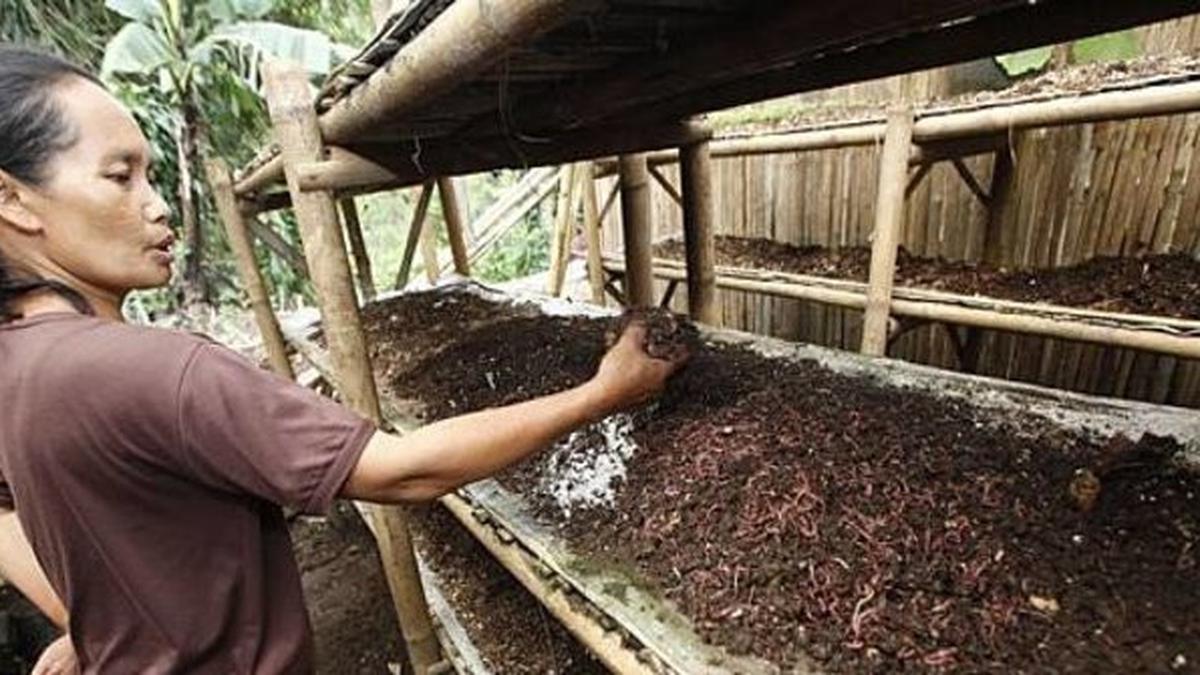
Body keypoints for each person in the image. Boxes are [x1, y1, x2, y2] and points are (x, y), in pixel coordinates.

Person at [0, 45, 687, 674]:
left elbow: (6, 516)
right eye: (120, 176)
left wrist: (92, 620)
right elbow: (402, 469)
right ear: (11, 199)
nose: (159, 207)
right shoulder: (154, 371)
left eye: (149, 174)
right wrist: (603, 392)